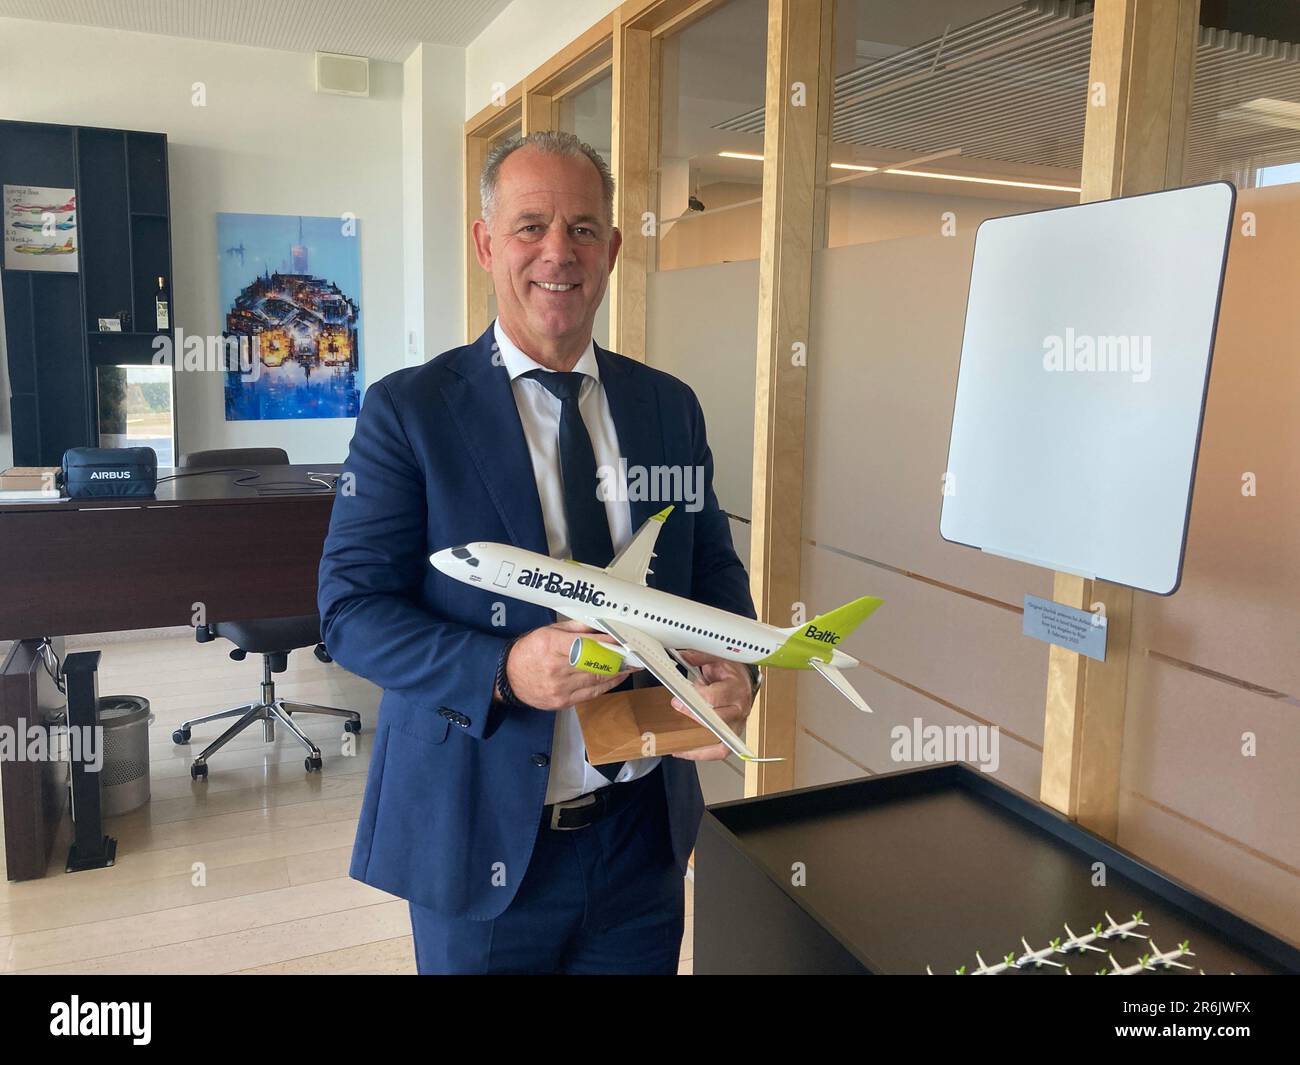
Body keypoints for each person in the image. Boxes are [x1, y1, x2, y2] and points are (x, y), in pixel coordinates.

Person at [317, 130, 758, 974]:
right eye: (531, 227)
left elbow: (712, 579)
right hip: (479, 837)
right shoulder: (408, 412)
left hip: (641, 842)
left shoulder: (669, 408)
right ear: (487, 243)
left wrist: (740, 669)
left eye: (584, 228)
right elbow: (351, 615)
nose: (559, 252)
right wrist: (503, 667)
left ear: (613, 249)